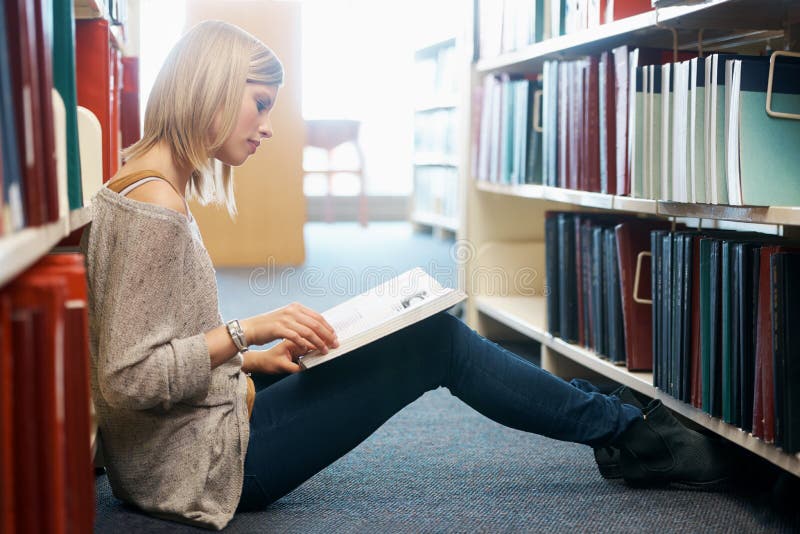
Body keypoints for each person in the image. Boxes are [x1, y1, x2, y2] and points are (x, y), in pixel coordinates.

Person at [81, 20, 729, 531]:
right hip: (202, 467)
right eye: (259, 105)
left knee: (398, 332)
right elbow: (125, 380)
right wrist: (244, 332)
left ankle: (622, 421)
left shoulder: (141, 181)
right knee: (433, 343)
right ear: (213, 90)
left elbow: (156, 341)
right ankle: (632, 434)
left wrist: (254, 360)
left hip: (203, 427)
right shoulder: (155, 207)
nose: (268, 128)